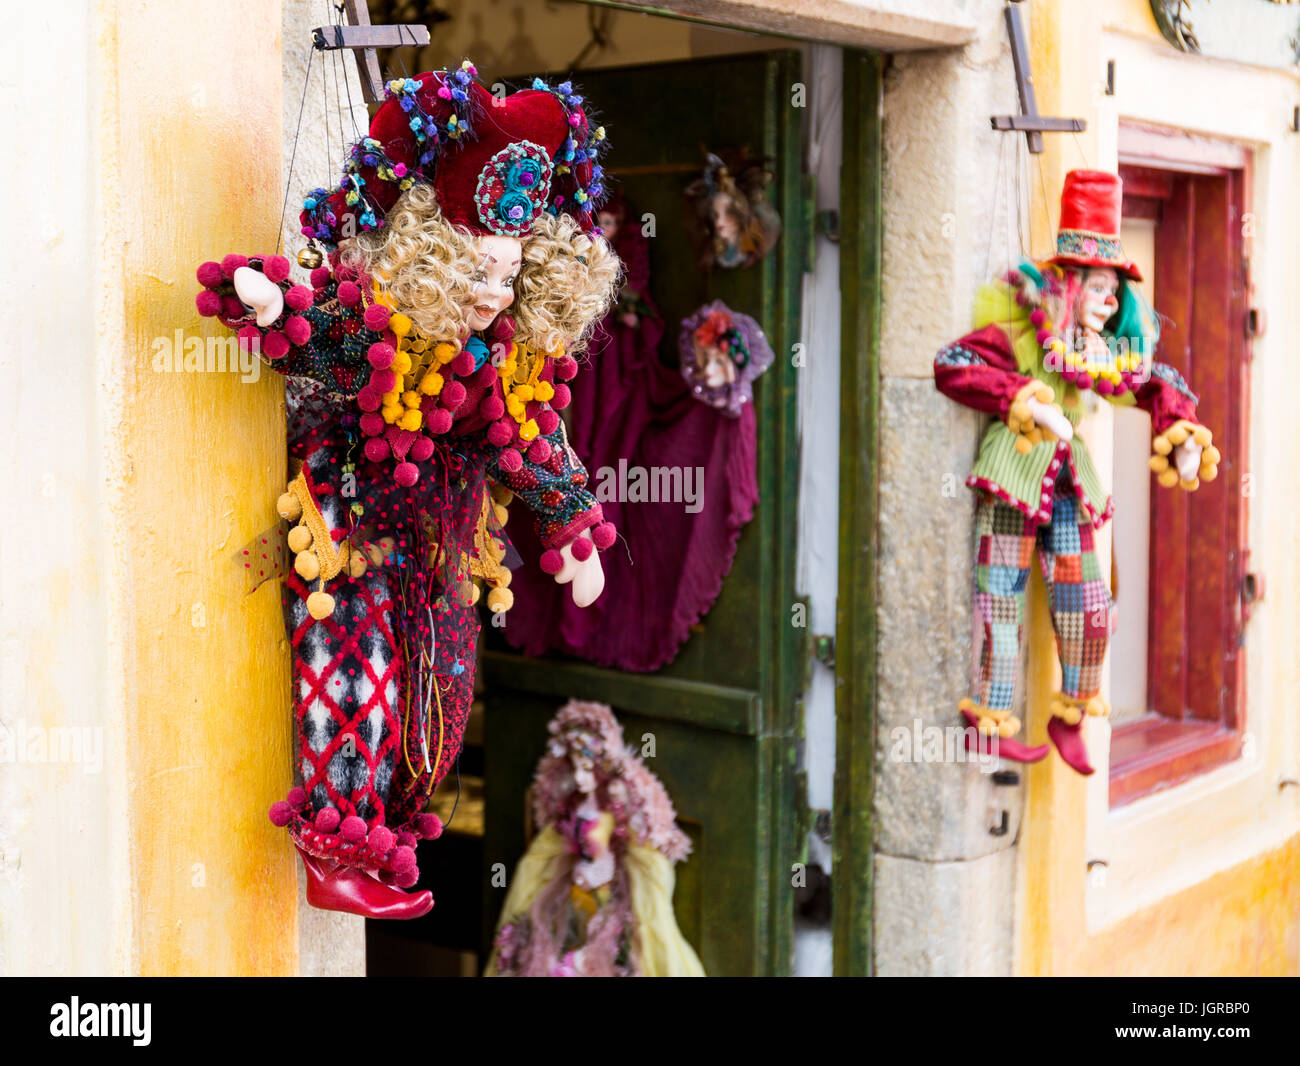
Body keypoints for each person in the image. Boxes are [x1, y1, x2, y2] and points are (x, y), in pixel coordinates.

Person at [194, 62, 619, 917]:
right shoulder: (382, 332)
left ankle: (388, 837)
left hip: (445, 552)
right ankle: (335, 853)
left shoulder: (507, 361)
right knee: (354, 673)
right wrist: (275, 308)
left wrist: (569, 521)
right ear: (430, 260)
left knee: (441, 688)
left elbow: (531, 436)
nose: (494, 293)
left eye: (508, 274)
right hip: (348, 532)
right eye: (476, 272)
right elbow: (323, 335)